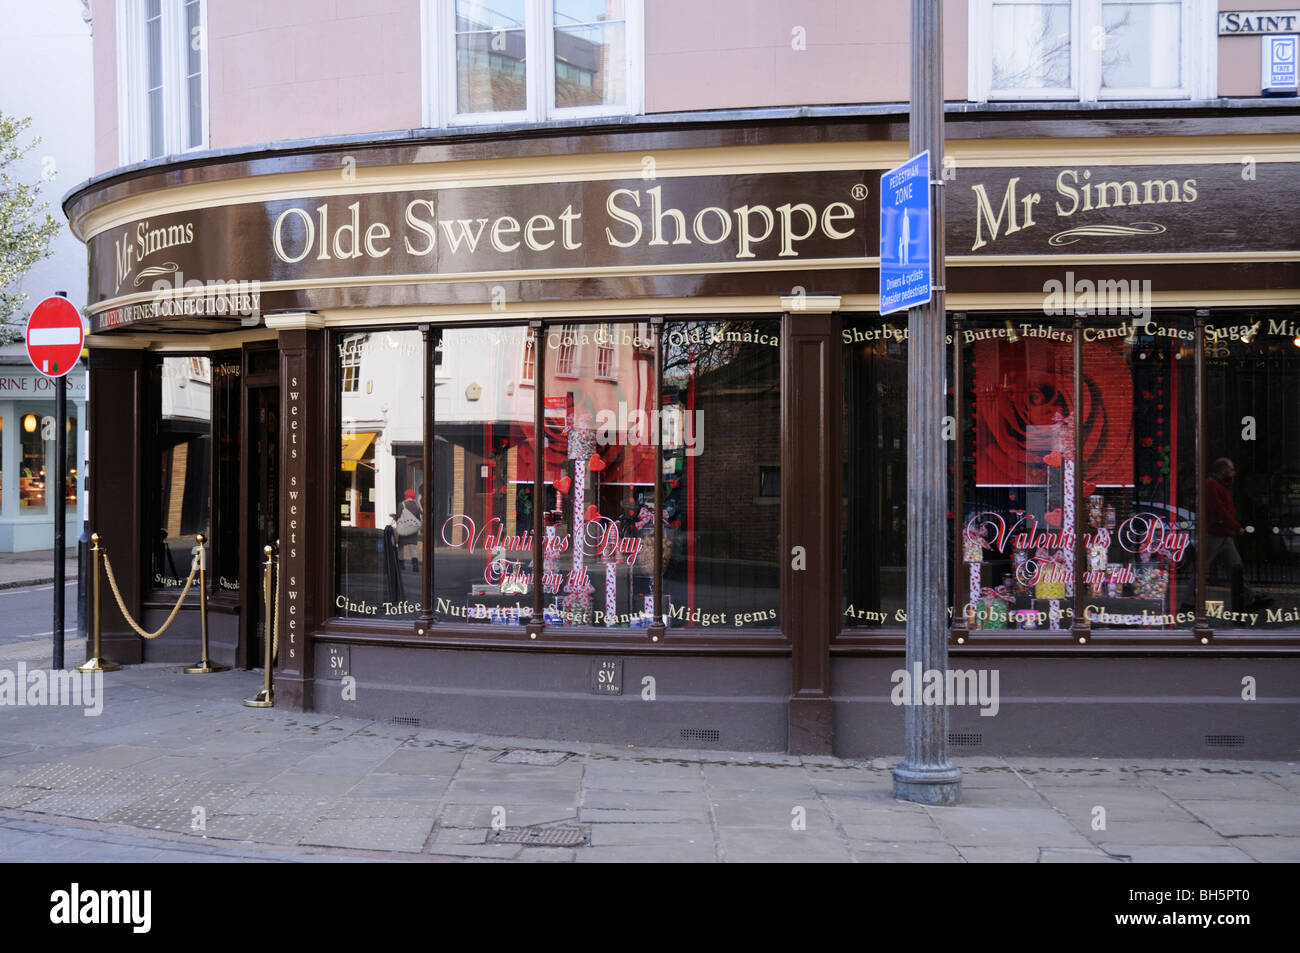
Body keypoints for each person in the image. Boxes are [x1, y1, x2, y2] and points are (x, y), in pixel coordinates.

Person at [1183, 458, 1272, 612]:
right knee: (1206, 568)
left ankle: (1249, 599)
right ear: (1222, 470)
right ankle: (1188, 603)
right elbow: (1219, 511)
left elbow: (1221, 510)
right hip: (1215, 534)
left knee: (1236, 567)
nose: (1234, 473)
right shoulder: (1212, 484)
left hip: (1222, 534)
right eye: (1231, 469)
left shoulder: (1217, 485)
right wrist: (1236, 526)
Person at [395, 488, 422, 572]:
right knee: (412, 549)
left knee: (401, 548)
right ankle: (415, 566)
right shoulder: (416, 507)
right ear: (413, 497)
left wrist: (394, 516)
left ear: (406, 496)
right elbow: (418, 519)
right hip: (413, 530)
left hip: (404, 529)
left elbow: (398, 517)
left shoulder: (401, 505)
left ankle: (401, 565)